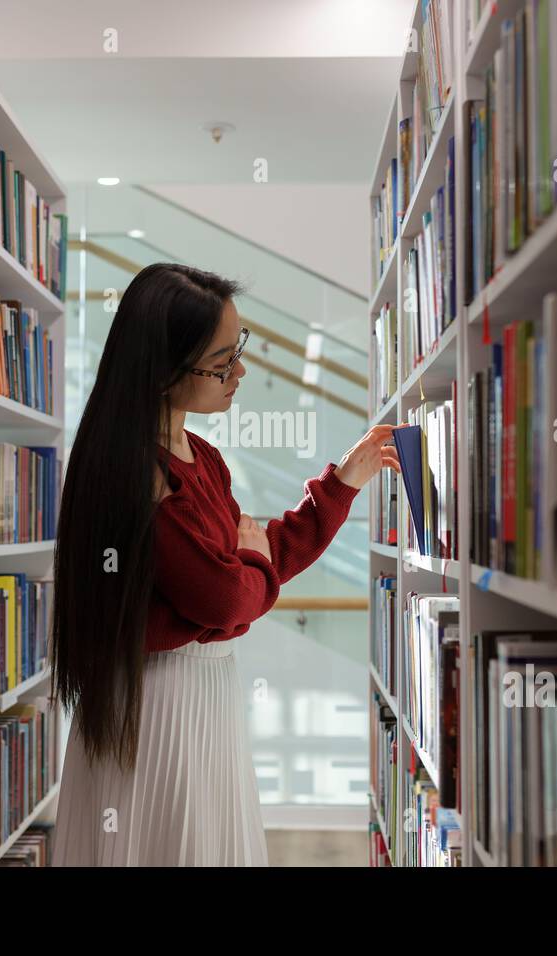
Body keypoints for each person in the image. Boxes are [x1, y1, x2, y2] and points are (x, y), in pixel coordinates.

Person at [50, 262, 400, 866]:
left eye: (238, 350)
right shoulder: (137, 474)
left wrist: (341, 484)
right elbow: (223, 597)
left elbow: (260, 560)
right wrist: (248, 566)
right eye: (220, 362)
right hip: (159, 710)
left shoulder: (202, 458)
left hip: (202, 697)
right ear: (163, 371)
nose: (239, 372)